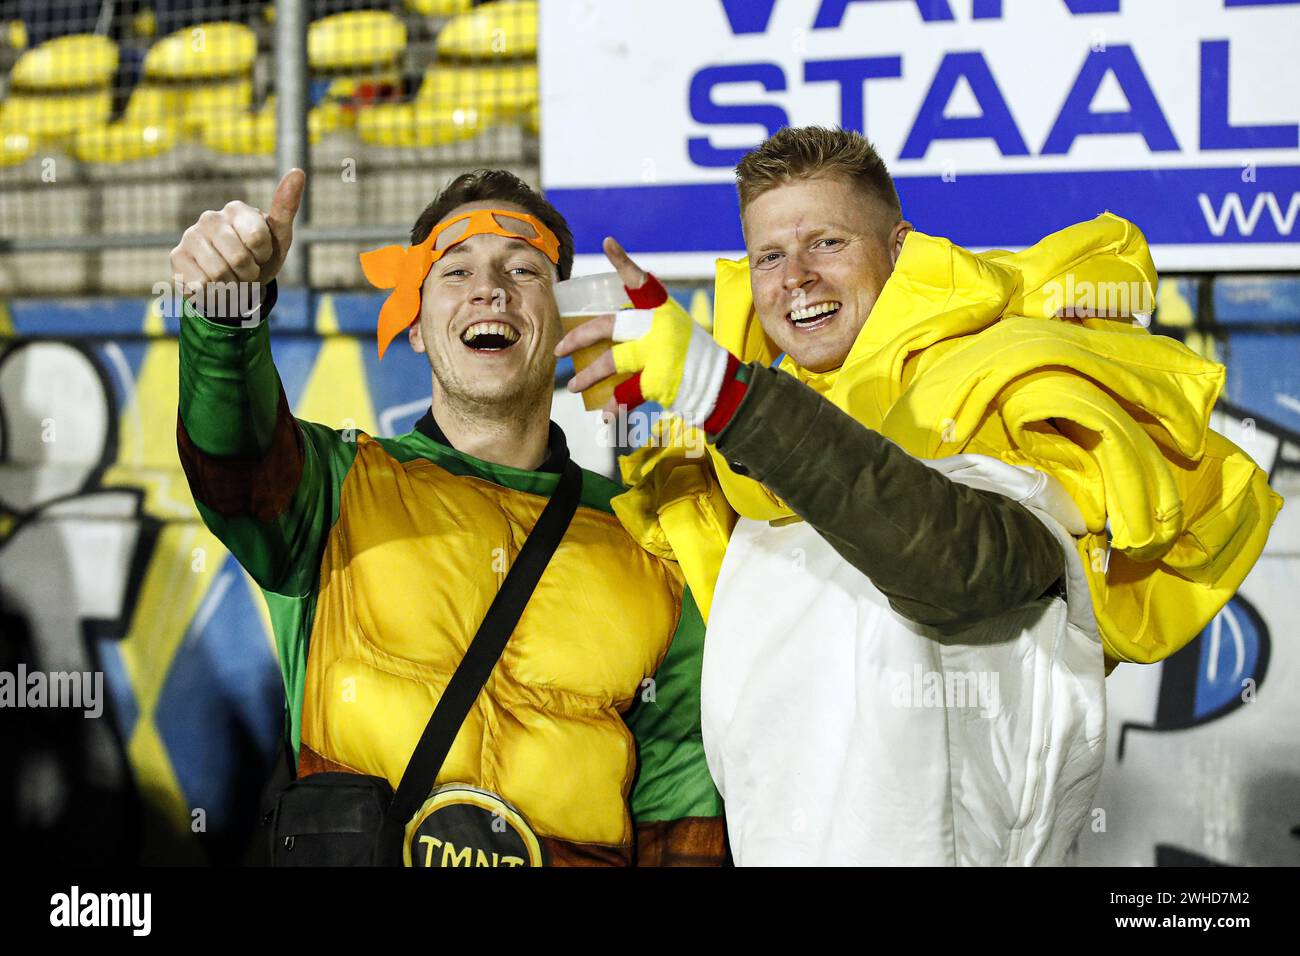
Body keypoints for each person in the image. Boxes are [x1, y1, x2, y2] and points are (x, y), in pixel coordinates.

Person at [558, 126, 1280, 865]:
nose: (794, 277)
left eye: (827, 243)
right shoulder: (743, 465)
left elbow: (959, 565)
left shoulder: (1003, 391)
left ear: (901, 250)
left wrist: (728, 395)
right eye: (769, 255)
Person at [171, 167, 723, 866]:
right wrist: (226, 311)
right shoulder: (333, 486)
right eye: (455, 271)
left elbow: (681, 823)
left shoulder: (653, 545)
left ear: (565, 322)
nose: (490, 288)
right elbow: (233, 457)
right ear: (417, 326)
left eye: (524, 271)